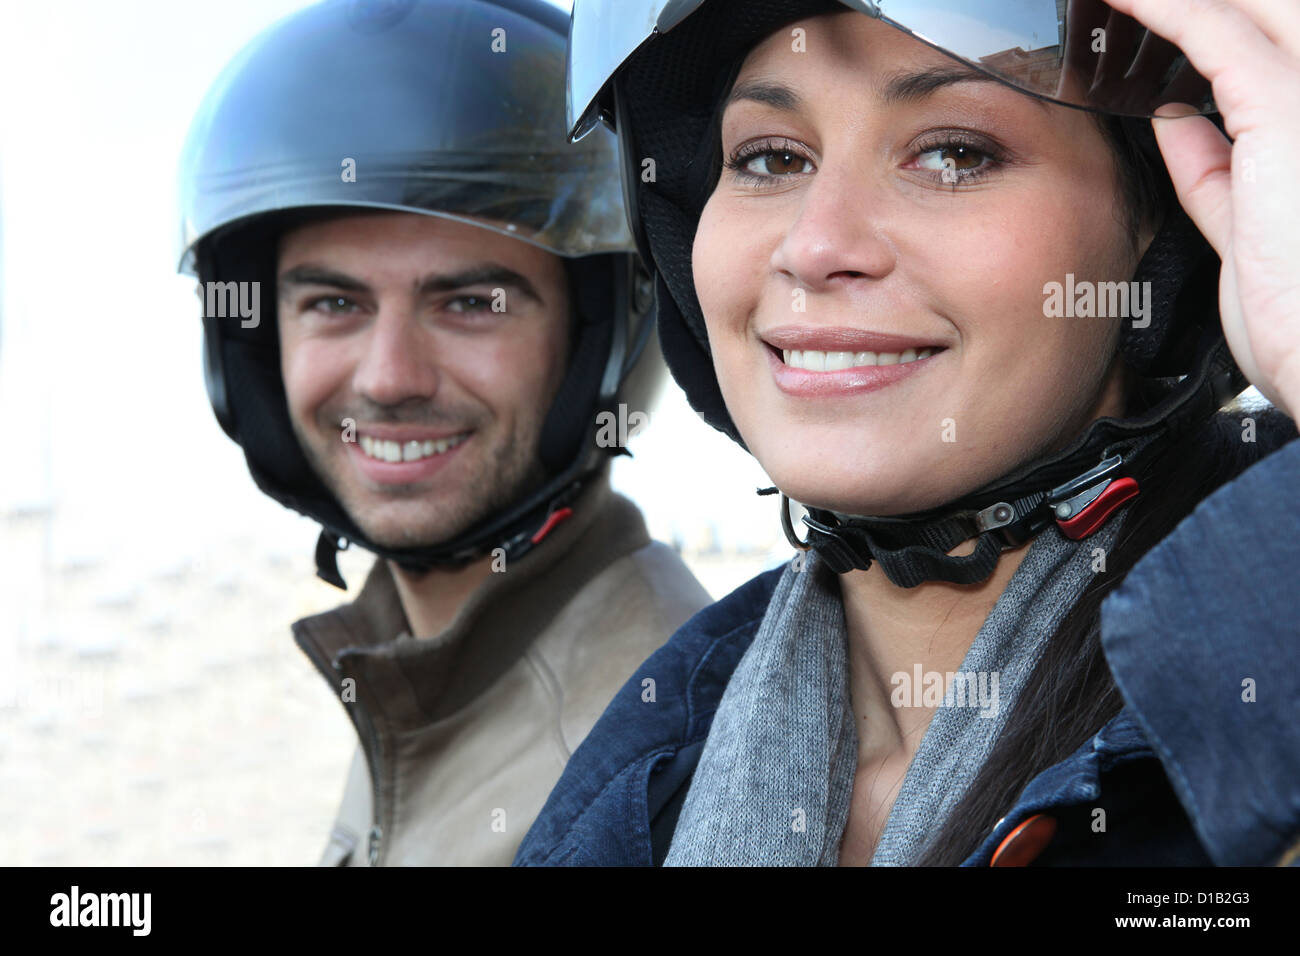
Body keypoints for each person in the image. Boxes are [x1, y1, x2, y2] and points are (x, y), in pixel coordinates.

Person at [517, 0, 1300, 866]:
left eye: (954, 154)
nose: (815, 246)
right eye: (772, 158)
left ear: (1164, 232)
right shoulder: (643, 778)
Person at [176, 0, 711, 866]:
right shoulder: (416, 673)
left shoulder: (657, 768)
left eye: (468, 303)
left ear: (597, 339)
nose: (389, 377)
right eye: (334, 303)